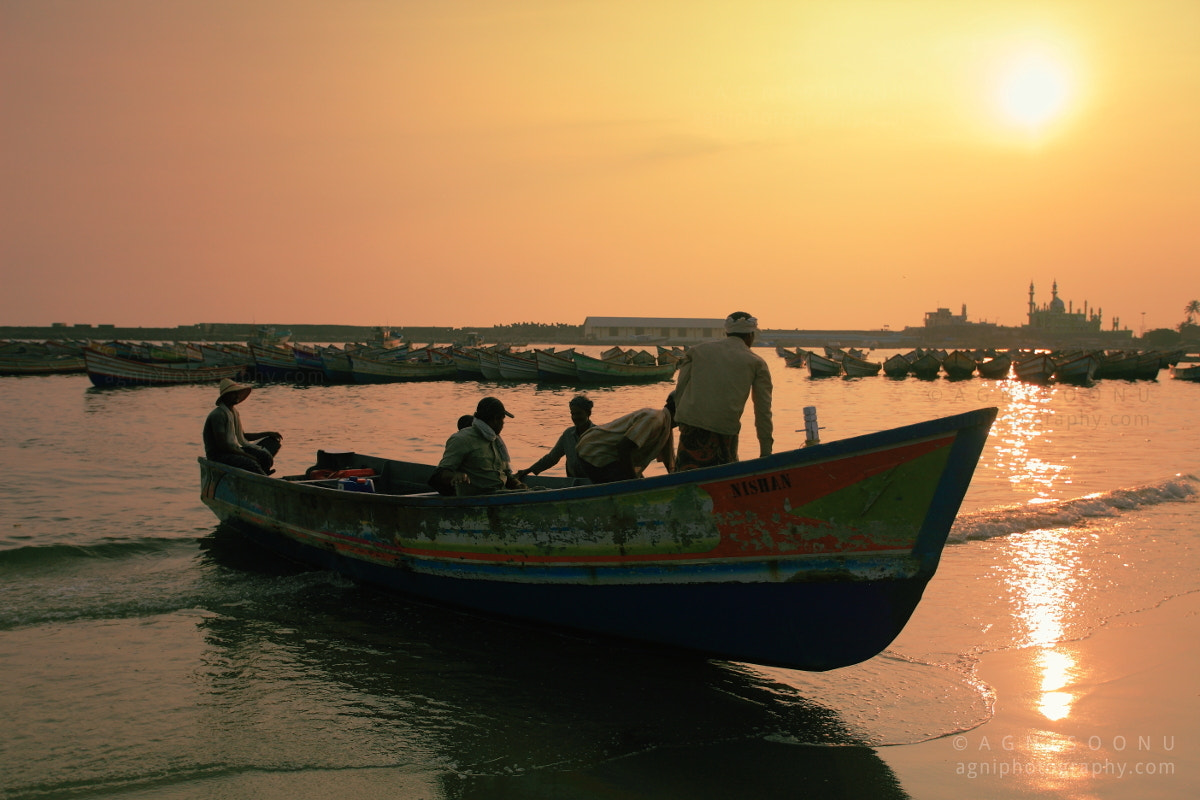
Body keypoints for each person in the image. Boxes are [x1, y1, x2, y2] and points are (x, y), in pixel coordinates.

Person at [673, 311, 773, 471]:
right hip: (725, 431)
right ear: (751, 336)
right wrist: (766, 452)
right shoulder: (756, 362)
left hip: (691, 427)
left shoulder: (697, 351)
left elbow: (680, 389)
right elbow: (763, 411)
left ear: (727, 333)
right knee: (726, 477)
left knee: (685, 477)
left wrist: (681, 421)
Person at [431, 396, 527, 496]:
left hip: (501, 494)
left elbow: (505, 474)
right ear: (496, 419)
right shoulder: (462, 439)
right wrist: (455, 475)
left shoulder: (496, 441)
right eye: (503, 419)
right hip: (477, 499)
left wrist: (517, 484)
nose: (503, 423)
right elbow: (438, 475)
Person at [575, 393, 676, 483]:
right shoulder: (654, 419)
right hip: (594, 451)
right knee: (628, 487)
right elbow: (623, 447)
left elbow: (670, 464)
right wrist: (634, 482)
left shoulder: (665, 426)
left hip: (601, 453)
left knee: (631, 481)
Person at [203, 378, 283, 475]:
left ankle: (262, 473)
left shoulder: (233, 412)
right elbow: (223, 446)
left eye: (237, 393)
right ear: (225, 396)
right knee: (250, 463)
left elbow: (244, 436)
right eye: (233, 393)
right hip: (219, 456)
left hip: (232, 450)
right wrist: (247, 456)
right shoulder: (218, 415)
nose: (236, 396)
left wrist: (268, 433)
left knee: (265, 456)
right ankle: (261, 477)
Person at [515, 395, 594, 482]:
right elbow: (552, 458)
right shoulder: (568, 435)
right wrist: (529, 470)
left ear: (588, 413)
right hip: (573, 481)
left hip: (594, 482)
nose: (575, 417)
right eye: (572, 414)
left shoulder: (598, 434)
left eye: (579, 413)